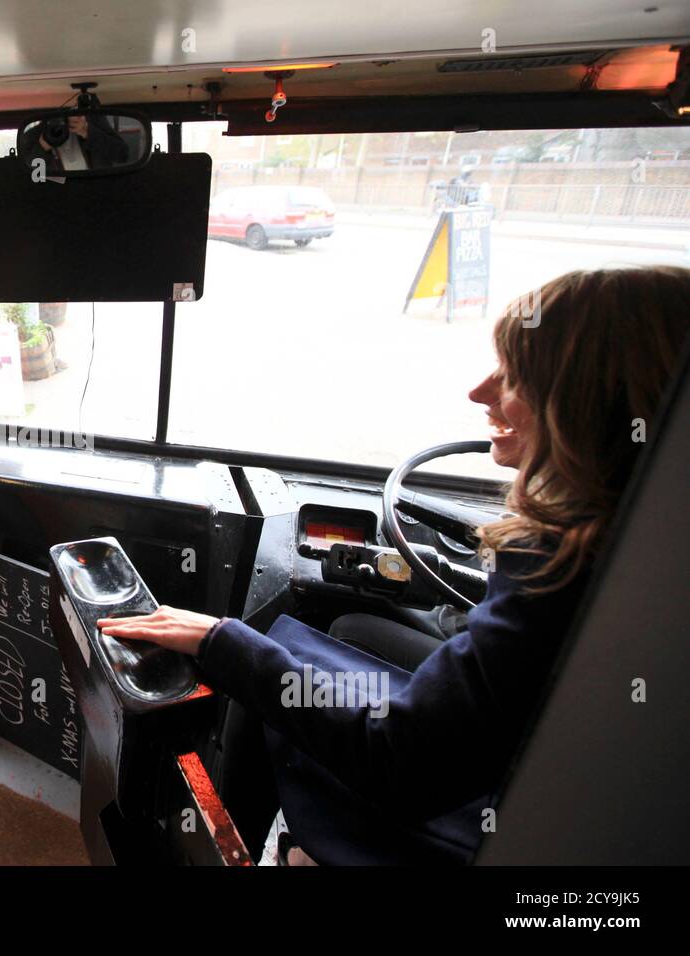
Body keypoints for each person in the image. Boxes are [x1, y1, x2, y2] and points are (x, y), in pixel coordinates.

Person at [99, 266, 690, 864]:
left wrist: (220, 642)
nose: (482, 392)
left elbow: (397, 760)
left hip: (466, 808)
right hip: (525, 761)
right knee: (347, 630)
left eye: (515, 375)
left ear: (585, 406)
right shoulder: (633, 541)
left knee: (266, 668)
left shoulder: (558, 568)